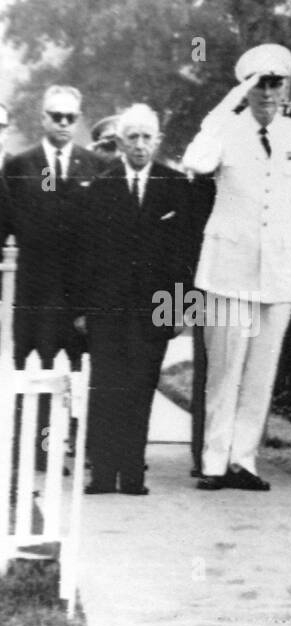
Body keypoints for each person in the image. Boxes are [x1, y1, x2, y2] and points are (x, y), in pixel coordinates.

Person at [181, 43, 291, 492]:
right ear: (246, 86)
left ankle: (244, 460)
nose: (268, 91)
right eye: (259, 83)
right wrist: (225, 107)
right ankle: (214, 461)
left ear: (287, 87)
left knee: (261, 373)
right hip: (228, 269)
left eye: (275, 82)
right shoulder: (225, 129)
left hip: (278, 271)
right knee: (224, 370)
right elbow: (195, 162)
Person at [76, 104, 196, 495]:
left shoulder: (177, 186)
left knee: (141, 388)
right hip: (107, 309)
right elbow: (85, 254)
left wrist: (180, 310)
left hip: (155, 308)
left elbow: (185, 256)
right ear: (120, 142)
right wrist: (81, 311)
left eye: (147, 137)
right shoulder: (101, 187)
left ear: (157, 140)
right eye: (133, 137)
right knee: (106, 387)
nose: (140, 145)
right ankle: (103, 473)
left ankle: (132, 474)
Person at [4, 85, 102, 368]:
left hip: (78, 299)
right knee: (29, 379)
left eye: (70, 117)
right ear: (43, 118)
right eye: (56, 115)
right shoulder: (18, 168)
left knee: (77, 382)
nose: (63, 123)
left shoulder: (97, 167)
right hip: (35, 296)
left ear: (78, 119)